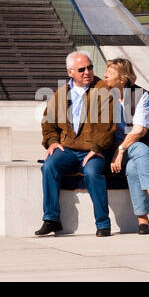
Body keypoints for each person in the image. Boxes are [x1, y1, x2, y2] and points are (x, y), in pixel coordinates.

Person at [37, 50, 116, 237]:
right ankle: (51, 219)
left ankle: (103, 224)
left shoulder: (103, 90)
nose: (87, 72)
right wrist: (53, 141)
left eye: (90, 67)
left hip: (94, 150)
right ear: (70, 72)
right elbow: (48, 123)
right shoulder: (61, 93)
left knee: (92, 172)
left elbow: (108, 127)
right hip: (68, 150)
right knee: (49, 166)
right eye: (82, 69)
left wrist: (96, 148)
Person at [104, 58, 149, 233]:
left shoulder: (140, 95)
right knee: (138, 152)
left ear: (122, 78)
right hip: (115, 148)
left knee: (134, 166)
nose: (105, 75)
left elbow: (139, 130)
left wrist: (121, 150)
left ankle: (142, 219)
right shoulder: (103, 95)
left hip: (139, 146)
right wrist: (117, 151)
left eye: (110, 73)